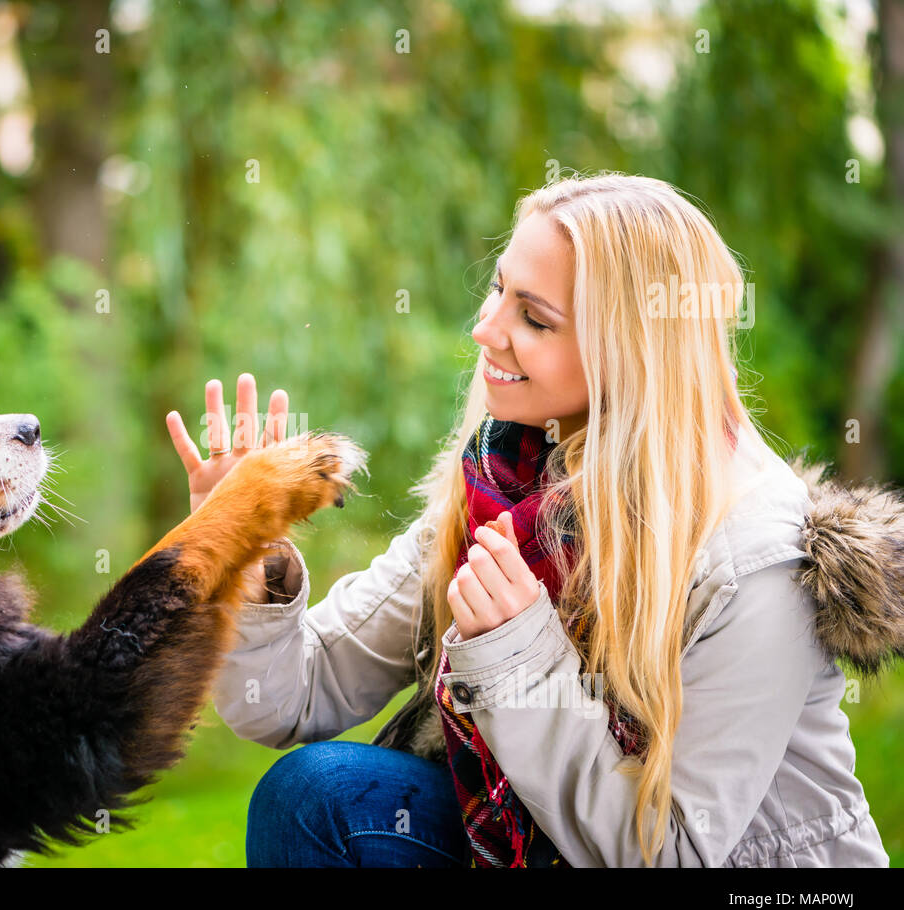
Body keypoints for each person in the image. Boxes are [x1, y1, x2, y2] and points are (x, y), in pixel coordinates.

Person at [164, 171, 896, 867]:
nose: (486, 329)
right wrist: (246, 553)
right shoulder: (509, 477)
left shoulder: (755, 557)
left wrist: (517, 658)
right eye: (498, 289)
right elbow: (295, 694)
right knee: (315, 797)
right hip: (539, 844)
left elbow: (672, 851)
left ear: (633, 351)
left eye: (534, 317)